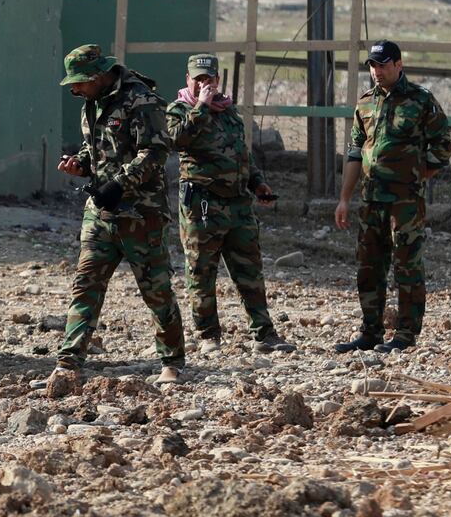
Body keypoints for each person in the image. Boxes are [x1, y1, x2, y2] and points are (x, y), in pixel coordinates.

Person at [53, 44, 185, 386]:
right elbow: (96, 147)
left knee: (156, 291)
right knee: (85, 285)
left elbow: (156, 151)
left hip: (141, 214)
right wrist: (81, 164)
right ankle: (68, 364)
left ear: (99, 76)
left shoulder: (142, 100)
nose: (74, 89)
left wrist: (119, 183)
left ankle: (172, 362)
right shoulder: (92, 102)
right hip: (100, 214)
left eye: (79, 82)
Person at [166, 54, 294, 354]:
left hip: (238, 205)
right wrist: (201, 107)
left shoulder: (228, 111)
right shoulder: (180, 109)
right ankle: (208, 334)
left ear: (217, 80)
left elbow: (241, 153)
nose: (203, 83)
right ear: (188, 79)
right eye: (197, 78)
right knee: (201, 271)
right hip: (203, 205)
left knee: (250, 269)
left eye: (208, 78)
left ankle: (264, 333)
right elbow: (177, 140)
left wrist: (257, 182)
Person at [333, 40, 451, 353]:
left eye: (383, 64)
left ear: (399, 65)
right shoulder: (365, 104)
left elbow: (443, 145)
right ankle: (370, 331)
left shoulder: (420, 100)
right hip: (371, 200)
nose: (377, 71)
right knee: (369, 267)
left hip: (405, 203)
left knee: (407, 267)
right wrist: (344, 199)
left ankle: (405, 334)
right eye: (373, 65)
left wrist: (416, 176)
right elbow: (355, 152)